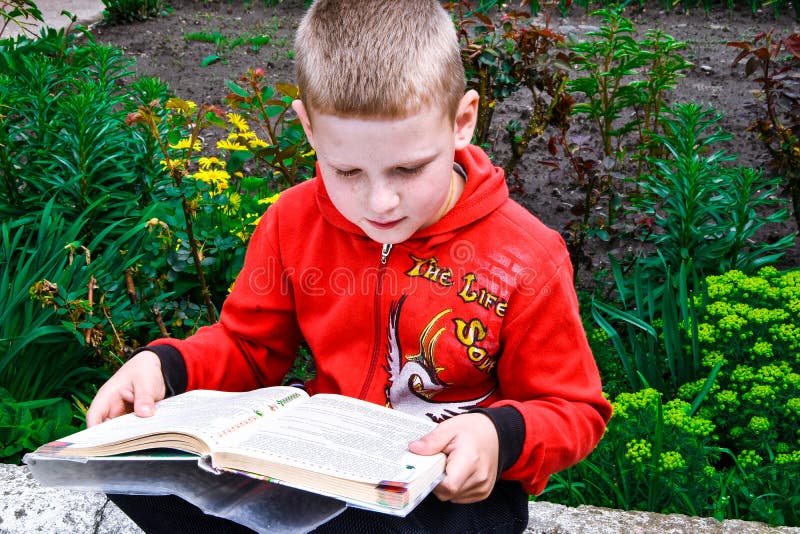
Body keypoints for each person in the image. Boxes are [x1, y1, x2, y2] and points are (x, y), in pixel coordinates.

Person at [87, 0, 612, 532]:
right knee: (127, 468)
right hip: (324, 463)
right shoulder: (292, 221)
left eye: (408, 168)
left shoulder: (524, 254)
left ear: (463, 121)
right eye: (347, 170)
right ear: (309, 128)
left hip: (448, 492)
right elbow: (249, 347)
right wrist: (166, 368)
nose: (379, 202)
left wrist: (498, 437)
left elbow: (574, 409)